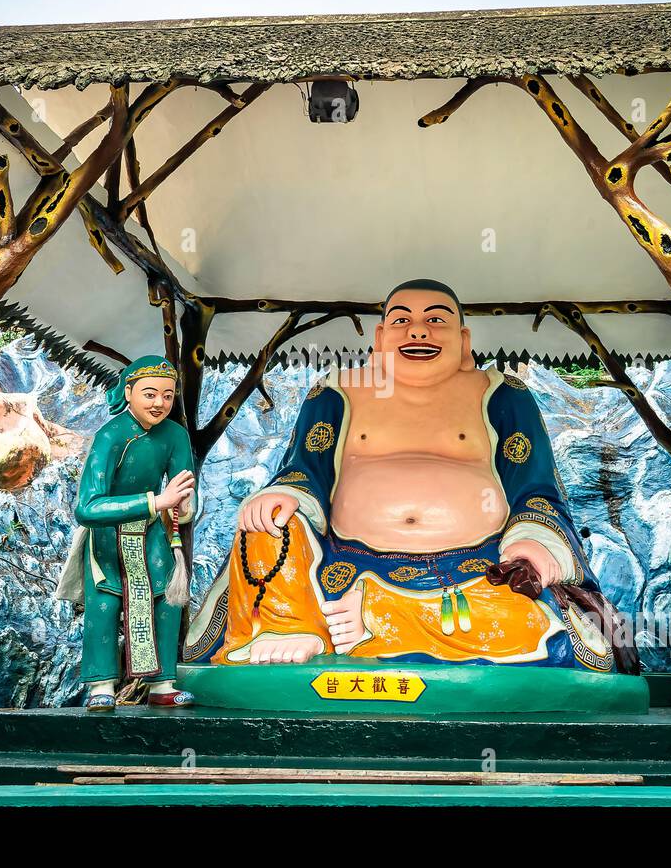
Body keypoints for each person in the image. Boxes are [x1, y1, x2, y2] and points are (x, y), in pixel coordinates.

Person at [184, 280, 634, 673]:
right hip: (348, 565)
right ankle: (290, 624)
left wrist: (536, 542)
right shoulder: (339, 390)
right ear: (380, 337)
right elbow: (306, 472)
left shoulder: (501, 393)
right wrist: (282, 496)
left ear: (464, 338)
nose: (418, 330)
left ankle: (376, 616)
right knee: (264, 527)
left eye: (436, 320)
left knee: (539, 629)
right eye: (402, 321)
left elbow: (535, 486)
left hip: (471, 570)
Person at [55, 356, 198, 708]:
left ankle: (163, 683)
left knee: (167, 598)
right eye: (149, 394)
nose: (159, 403)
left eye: (167, 395)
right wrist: (157, 501)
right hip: (106, 535)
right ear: (129, 392)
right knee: (104, 604)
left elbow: (184, 489)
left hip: (152, 533)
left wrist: (183, 503)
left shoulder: (175, 435)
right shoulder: (110, 435)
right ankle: (101, 685)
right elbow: (87, 508)